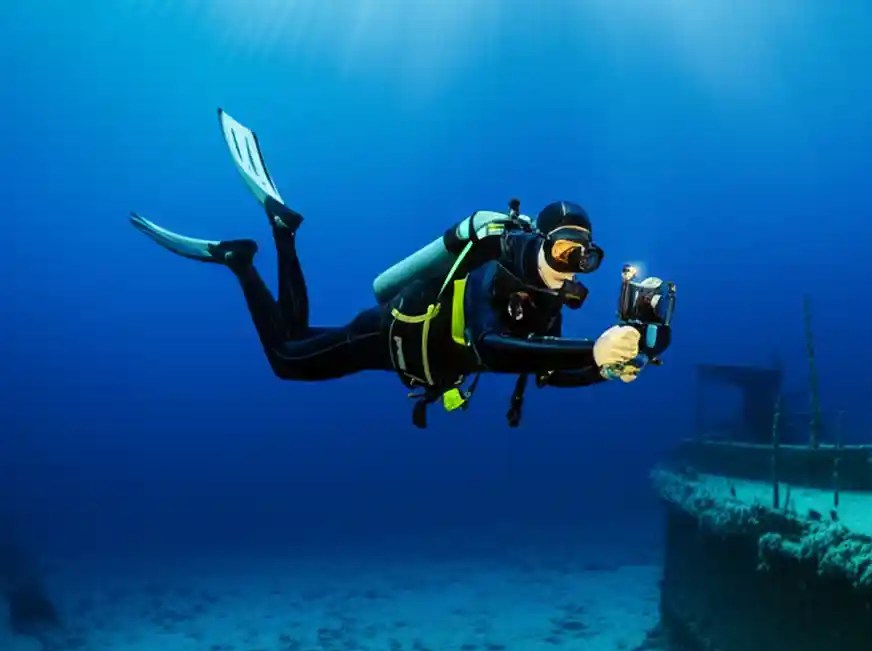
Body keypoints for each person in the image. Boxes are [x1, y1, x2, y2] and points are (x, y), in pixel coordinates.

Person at [129, 109, 650, 428]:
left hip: (407, 353)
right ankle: (241, 263)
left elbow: (547, 372)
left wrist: (605, 368)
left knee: (297, 334)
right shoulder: (498, 273)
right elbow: (489, 347)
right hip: (382, 338)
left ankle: (278, 236)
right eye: (563, 251)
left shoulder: (545, 299)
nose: (571, 267)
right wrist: (592, 347)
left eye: (584, 257)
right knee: (285, 360)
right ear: (538, 242)